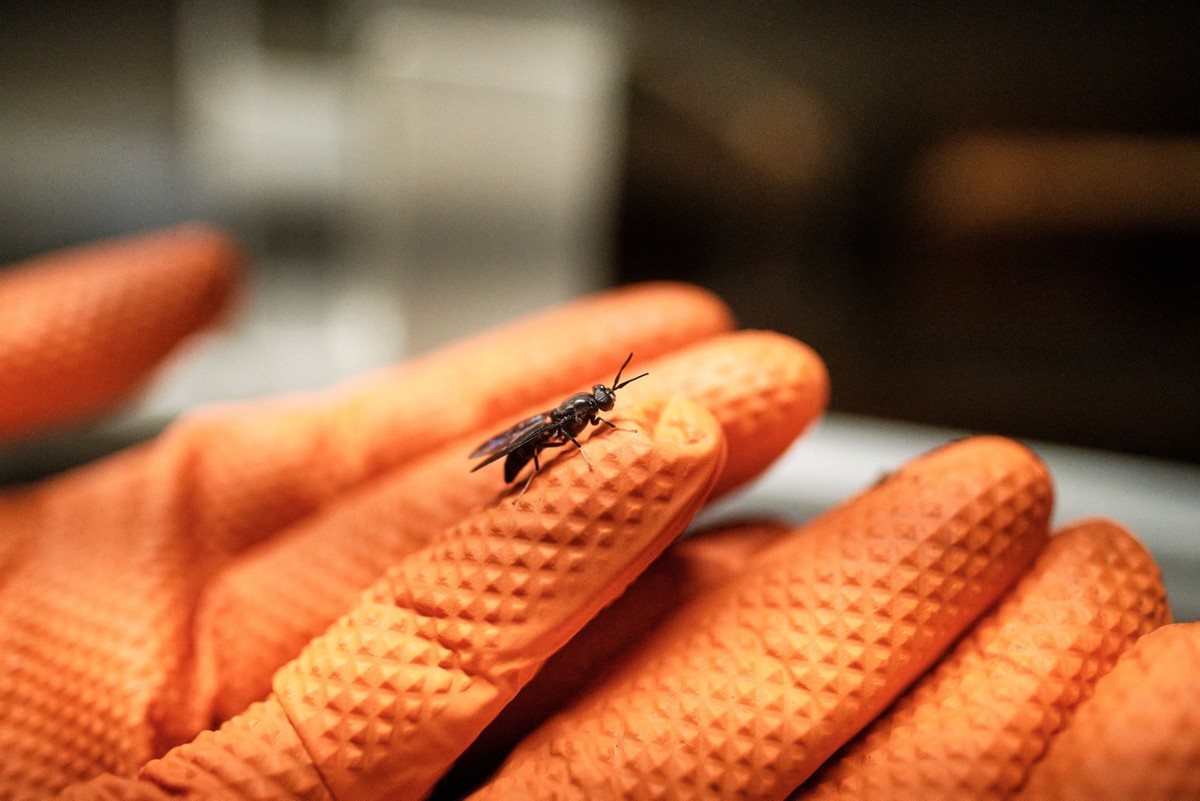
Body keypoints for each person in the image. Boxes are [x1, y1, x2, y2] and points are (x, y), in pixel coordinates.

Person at [0, 225, 1195, 801]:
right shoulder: (567, 424)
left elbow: (595, 421)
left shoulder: (592, 414)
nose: (598, 413)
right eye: (596, 410)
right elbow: (564, 434)